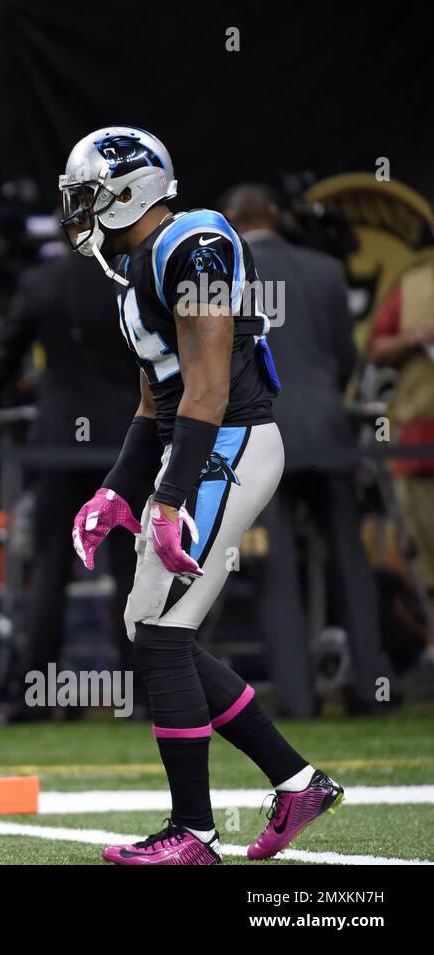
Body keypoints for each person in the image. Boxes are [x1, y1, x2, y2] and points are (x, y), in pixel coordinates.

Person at [60, 127, 342, 864]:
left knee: (156, 630)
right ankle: (296, 780)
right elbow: (156, 397)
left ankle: (194, 831)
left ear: (130, 192)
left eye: (87, 196)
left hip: (234, 443)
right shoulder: (136, 265)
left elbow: (211, 385)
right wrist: (119, 490)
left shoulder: (195, 243)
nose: (78, 212)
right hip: (207, 444)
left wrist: (169, 497)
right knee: (157, 628)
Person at [223, 184, 393, 715]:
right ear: (276, 214)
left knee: (273, 572)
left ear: (230, 221)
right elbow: (346, 357)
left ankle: (298, 701)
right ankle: (372, 689)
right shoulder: (324, 270)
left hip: (260, 436)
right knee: (350, 562)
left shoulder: (220, 275)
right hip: (325, 429)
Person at [0, 247, 140, 716]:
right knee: (129, 568)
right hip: (121, 440)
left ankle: (35, 694)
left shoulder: (41, 282)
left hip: (60, 442)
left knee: (48, 569)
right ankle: (144, 694)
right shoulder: (131, 279)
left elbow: (3, 354)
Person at [368, 260, 434, 617]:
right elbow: (376, 350)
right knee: (426, 560)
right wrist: (415, 337)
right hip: (421, 440)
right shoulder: (413, 285)